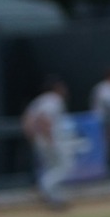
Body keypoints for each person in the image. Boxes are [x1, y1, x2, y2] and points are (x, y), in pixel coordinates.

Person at [21, 77, 72, 209]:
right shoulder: (53, 99)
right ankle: (44, 188)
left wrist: (33, 139)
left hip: (40, 140)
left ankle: (56, 200)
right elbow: (44, 120)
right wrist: (49, 139)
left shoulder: (38, 101)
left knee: (51, 168)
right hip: (50, 139)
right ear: (56, 88)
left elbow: (26, 121)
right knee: (64, 167)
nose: (64, 90)